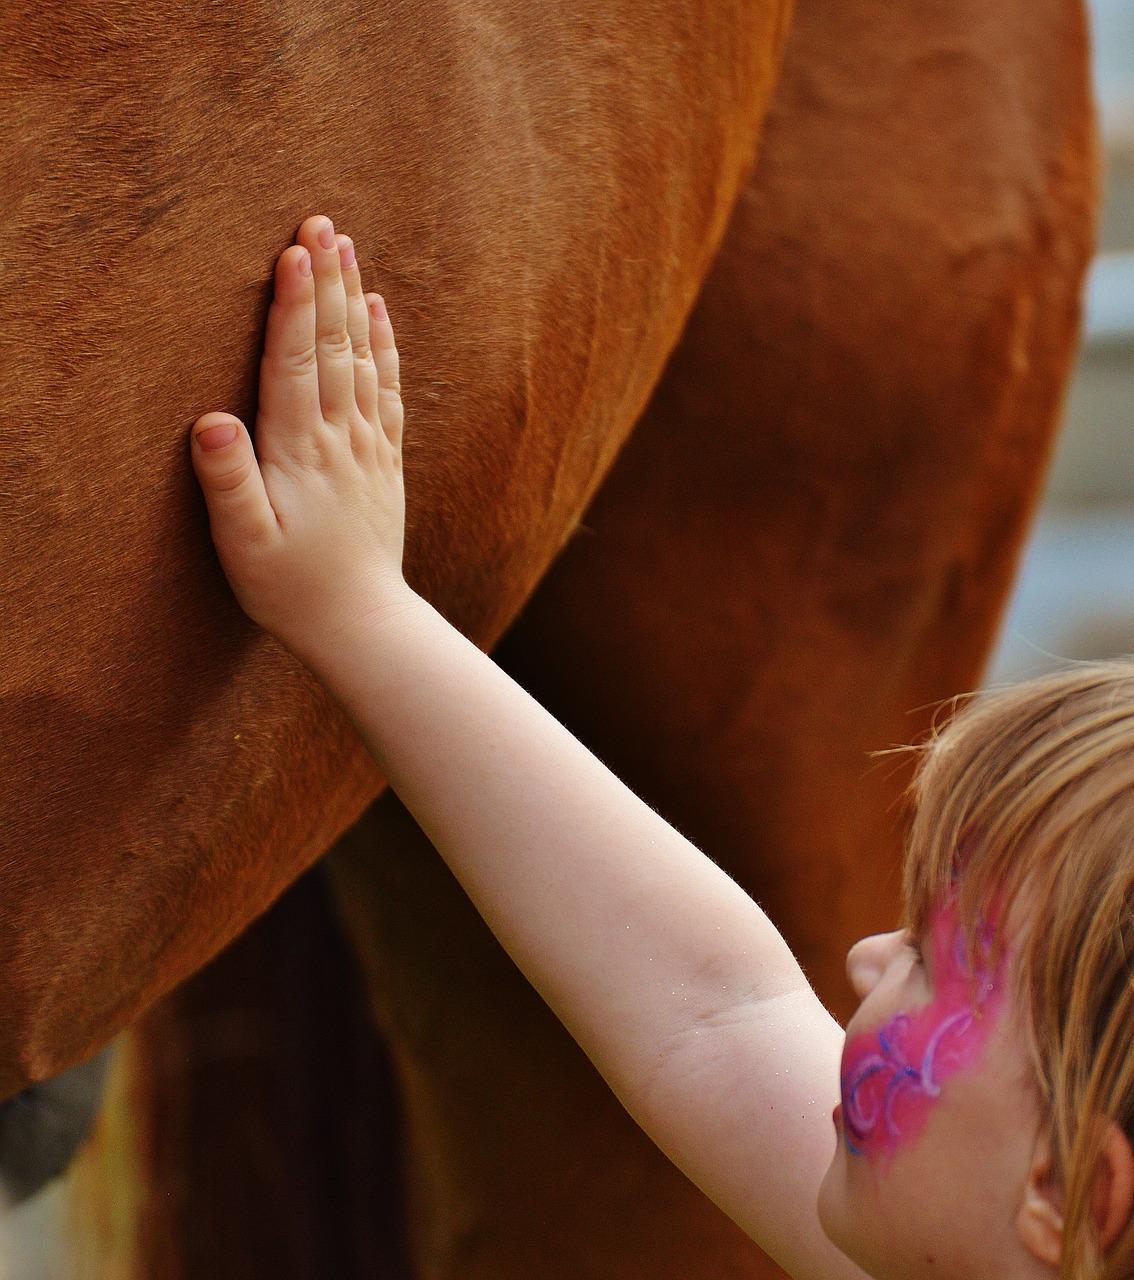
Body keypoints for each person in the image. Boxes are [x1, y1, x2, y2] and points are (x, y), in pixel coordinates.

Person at [188, 214, 1134, 1280]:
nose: (868, 954)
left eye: (934, 961)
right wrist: (355, 607)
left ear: (1068, 1189)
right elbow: (714, 1010)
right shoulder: (975, 1226)